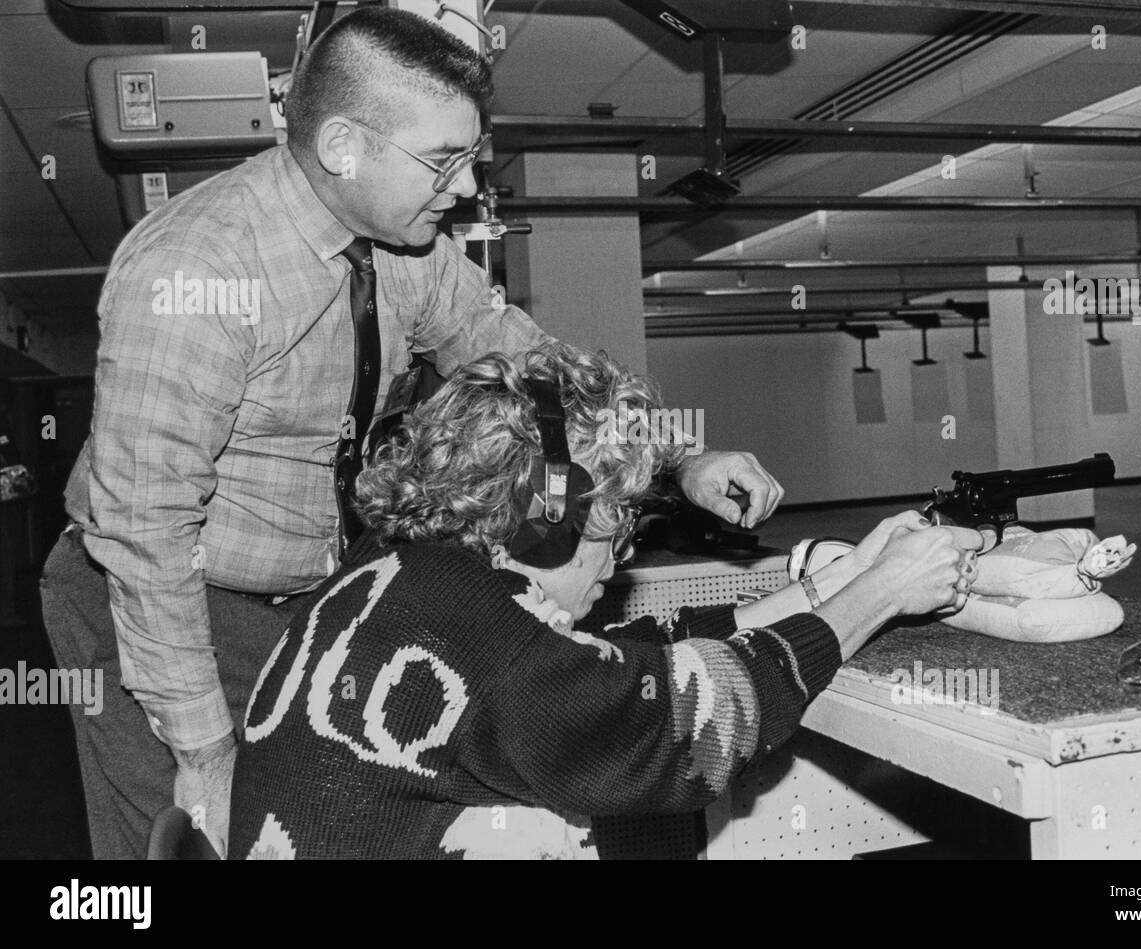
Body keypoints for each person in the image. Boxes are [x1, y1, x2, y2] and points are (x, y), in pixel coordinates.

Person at [40, 6, 781, 860]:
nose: (463, 188)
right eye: (442, 161)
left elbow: (539, 369)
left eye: (471, 158)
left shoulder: (405, 252)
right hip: (152, 602)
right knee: (193, 840)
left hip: (295, 589)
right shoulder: (195, 270)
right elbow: (146, 533)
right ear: (342, 147)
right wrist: (204, 753)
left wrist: (682, 458)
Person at [227, 343, 982, 859]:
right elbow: (692, 727)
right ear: (544, 512)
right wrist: (883, 594)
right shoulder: (484, 639)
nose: (621, 553)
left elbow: (615, 663)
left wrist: (840, 581)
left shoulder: (399, 571)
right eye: (616, 518)